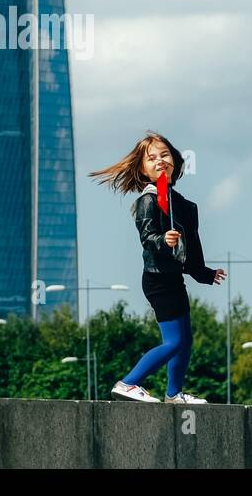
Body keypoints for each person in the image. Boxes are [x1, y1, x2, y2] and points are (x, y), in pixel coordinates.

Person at [88, 130, 226, 403]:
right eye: (151, 159)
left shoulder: (182, 204)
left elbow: (190, 252)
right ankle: (128, 383)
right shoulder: (148, 200)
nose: (160, 161)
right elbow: (147, 237)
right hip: (157, 279)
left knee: (185, 342)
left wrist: (206, 274)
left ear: (175, 161)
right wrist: (164, 239)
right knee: (173, 342)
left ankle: (173, 394)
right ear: (142, 169)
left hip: (174, 278)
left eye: (165, 155)